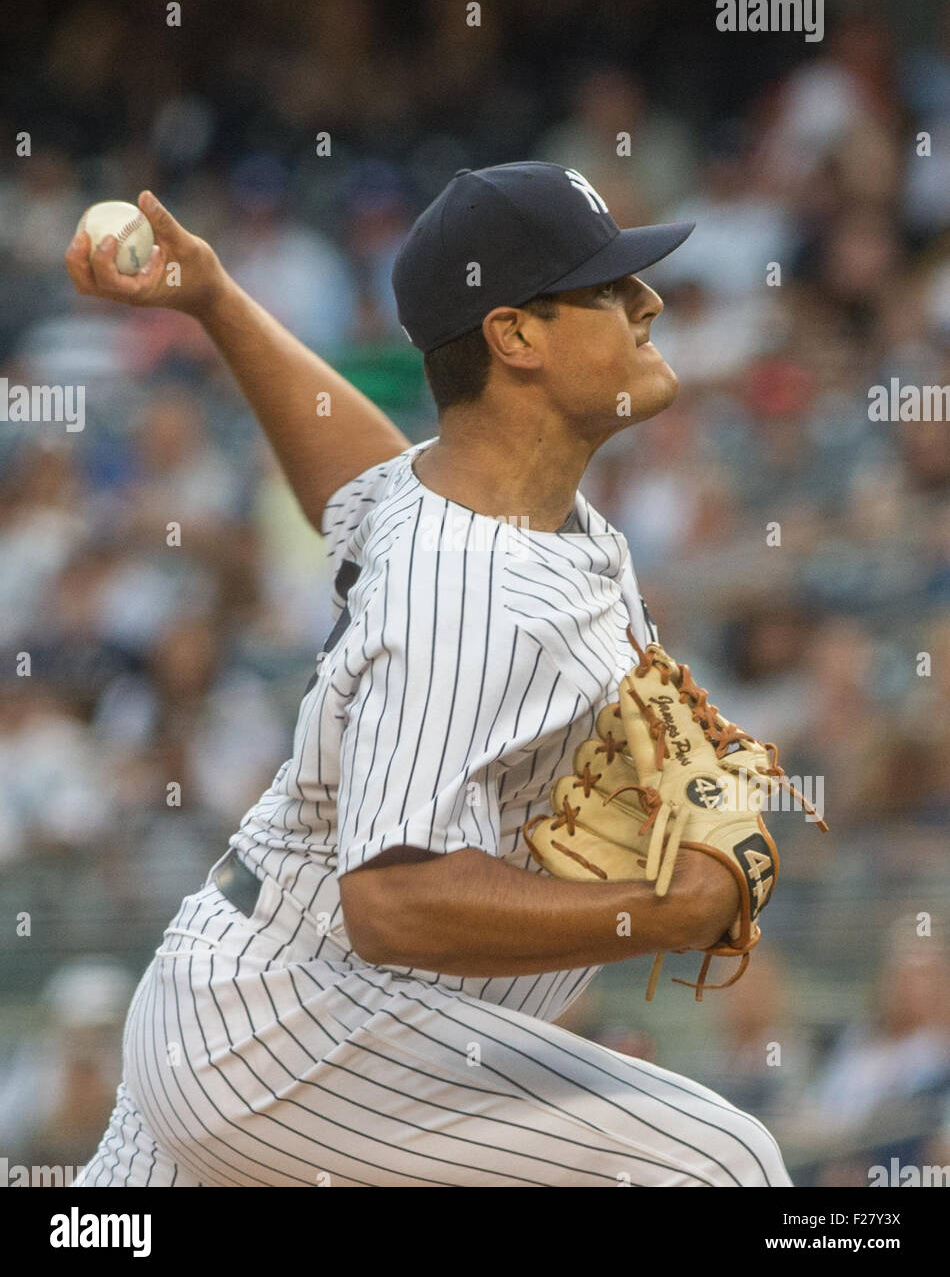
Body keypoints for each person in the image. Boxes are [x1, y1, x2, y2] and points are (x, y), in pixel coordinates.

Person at [65, 162, 791, 1186]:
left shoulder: (452, 501)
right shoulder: (467, 590)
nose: (648, 302)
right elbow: (391, 903)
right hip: (291, 1034)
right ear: (514, 336)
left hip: (252, 1005)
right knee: (718, 1165)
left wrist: (217, 301)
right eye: (604, 287)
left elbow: (352, 472)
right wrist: (654, 909)